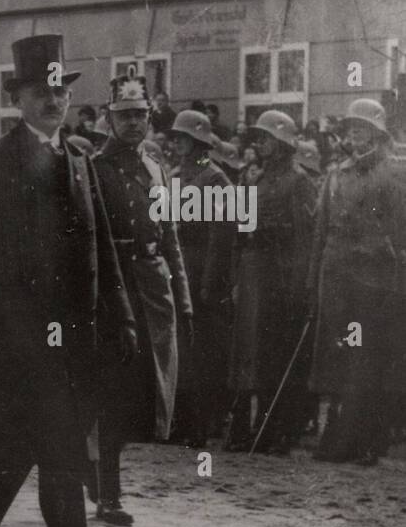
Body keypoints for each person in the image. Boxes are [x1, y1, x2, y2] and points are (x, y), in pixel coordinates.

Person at [0, 34, 137, 527]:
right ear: (19, 99)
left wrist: (118, 313)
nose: (54, 102)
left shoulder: (79, 159)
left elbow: (101, 245)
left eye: (60, 92)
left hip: (74, 333)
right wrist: (3, 335)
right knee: (58, 450)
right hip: (21, 338)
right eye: (40, 92)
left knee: (19, 450)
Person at [90, 72, 192, 525]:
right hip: (114, 289)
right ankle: (107, 490)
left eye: (140, 115)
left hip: (152, 289)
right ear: (110, 119)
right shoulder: (94, 169)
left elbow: (170, 238)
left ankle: (99, 476)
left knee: (140, 394)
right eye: (124, 115)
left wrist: (183, 298)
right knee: (110, 390)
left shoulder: (155, 167)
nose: (133, 123)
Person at [307, 99, 406, 465]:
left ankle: (365, 440)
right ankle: (337, 434)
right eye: (350, 130)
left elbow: (399, 233)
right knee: (337, 357)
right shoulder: (336, 175)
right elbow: (321, 232)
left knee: (368, 361)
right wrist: (313, 278)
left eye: (362, 130)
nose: (354, 136)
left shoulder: (392, 175)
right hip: (336, 281)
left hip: (374, 285)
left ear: (377, 135)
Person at [225, 110, 315, 454]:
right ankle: (242, 427)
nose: (259, 145)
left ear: (282, 144)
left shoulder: (299, 181)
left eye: (265, 139)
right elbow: (239, 231)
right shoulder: (255, 180)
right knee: (247, 353)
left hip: (279, 275)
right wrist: (235, 276)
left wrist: (299, 286)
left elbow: (305, 239)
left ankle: (272, 429)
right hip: (251, 273)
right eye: (258, 139)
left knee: (273, 354)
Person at [168, 112, 234, 446]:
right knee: (178, 349)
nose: (177, 144)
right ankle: (177, 422)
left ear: (199, 142)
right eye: (176, 138)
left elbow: (220, 239)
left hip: (200, 271)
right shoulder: (175, 176)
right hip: (176, 271)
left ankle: (200, 425)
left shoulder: (216, 180)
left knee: (202, 353)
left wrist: (210, 283)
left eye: (184, 139)